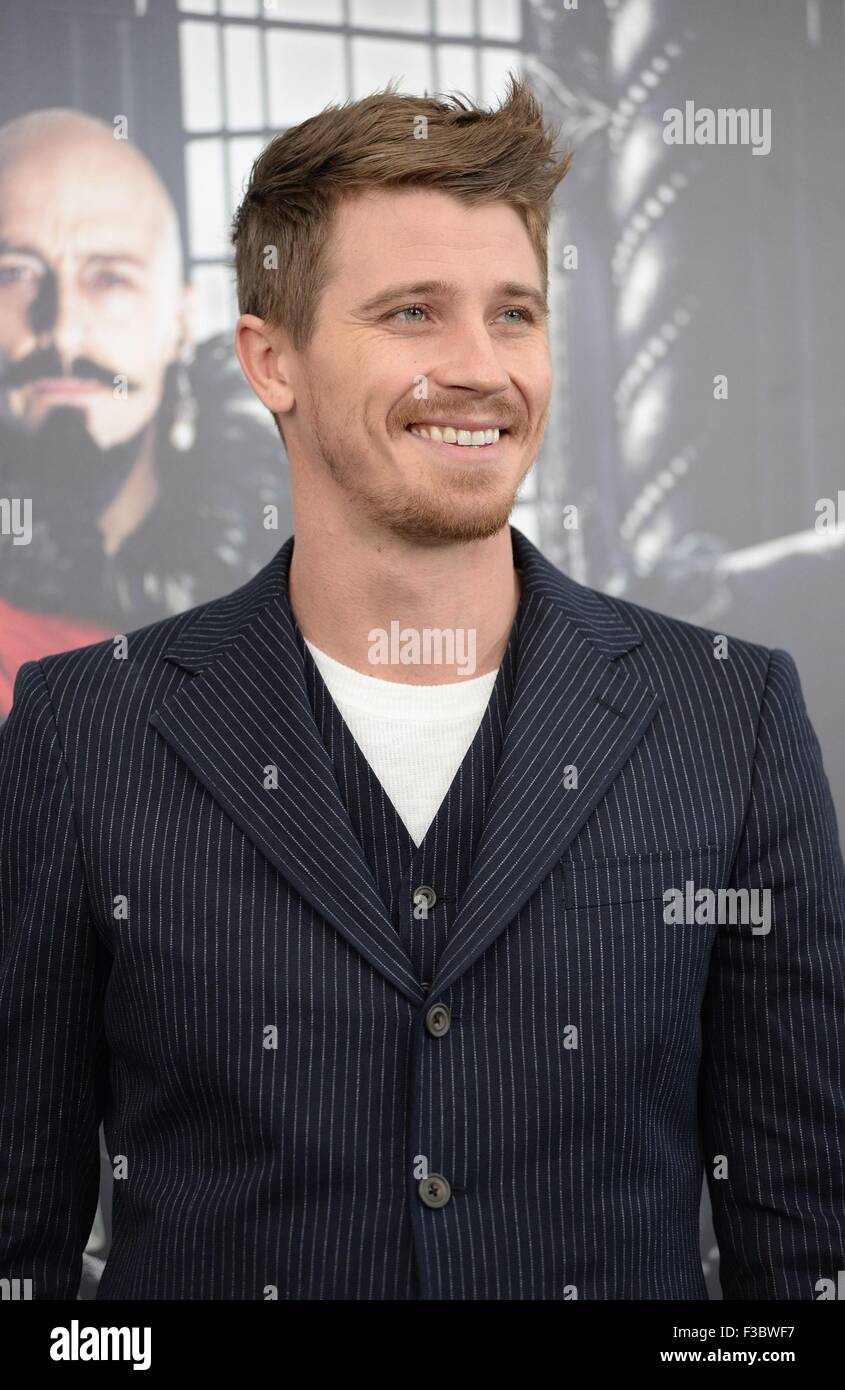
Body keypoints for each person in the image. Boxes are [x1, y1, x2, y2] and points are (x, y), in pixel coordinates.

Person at [0, 76, 842, 1301]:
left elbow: (803, 1250)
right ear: (269, 359)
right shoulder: (82, 731)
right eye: (411, 312)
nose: (477, 367)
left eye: (514, 314)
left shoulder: (733, 718)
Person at [0, 109, 286, 715]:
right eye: (15, 275)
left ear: (180, 323)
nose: (66, 333)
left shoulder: (292, 578)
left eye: (110, 279)